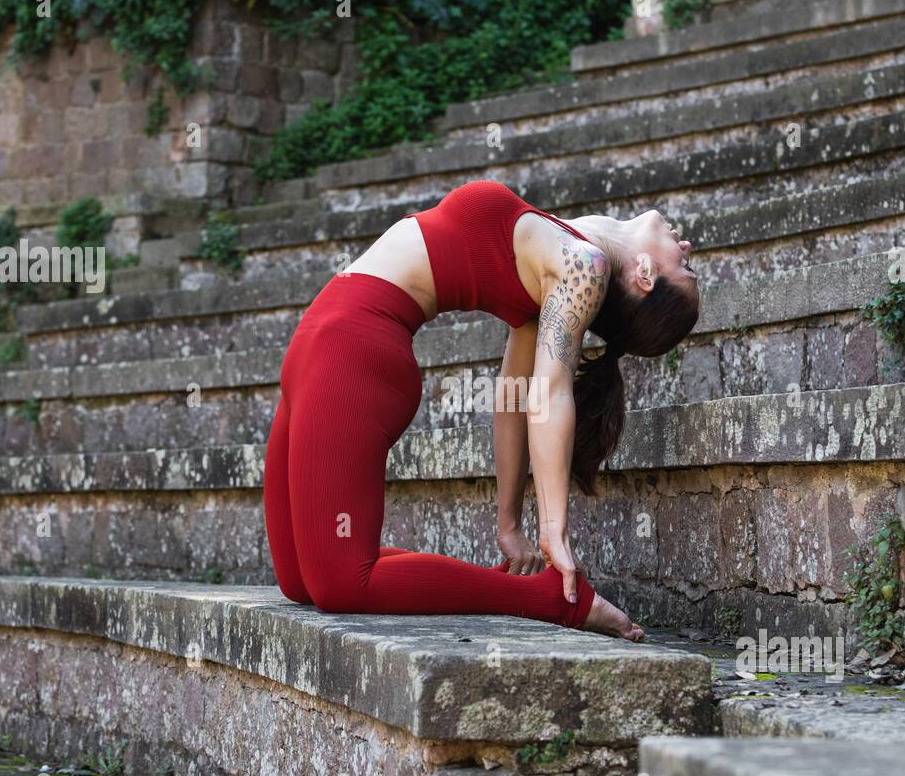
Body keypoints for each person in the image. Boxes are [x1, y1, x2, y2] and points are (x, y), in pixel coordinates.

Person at [263, 181, 699, 640]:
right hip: (319, 344)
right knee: (299, 578)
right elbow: (512, 395)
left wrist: (553, 531)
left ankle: (557, 601)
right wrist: (509, 525)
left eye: (685, 266)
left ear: (646, 276)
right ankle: (518, 586)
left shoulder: (583, 267)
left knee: (341, 585)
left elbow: (548, 395)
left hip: (351, 356)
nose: (685, 245)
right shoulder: (560, 255)